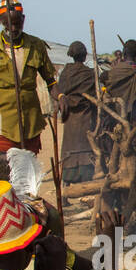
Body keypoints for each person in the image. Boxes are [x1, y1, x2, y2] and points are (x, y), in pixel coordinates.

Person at [0, 0, 57, 156]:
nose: (12, 28)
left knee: (27, 170)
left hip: (30, 121)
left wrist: (60, 96)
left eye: (17, 24)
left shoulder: (36, 46)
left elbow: (51, 81)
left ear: (23, 19)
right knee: (7, 168)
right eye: (7, 24)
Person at [54, 40, 97, 182]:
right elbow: (94, 94)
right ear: (84, 56)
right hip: (85, 115)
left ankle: (68, 179)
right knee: (84, 144)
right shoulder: (90, 74)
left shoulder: (65, 72)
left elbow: (61, 91)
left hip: (70, 116)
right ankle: (85, 178)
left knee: (70, 144)